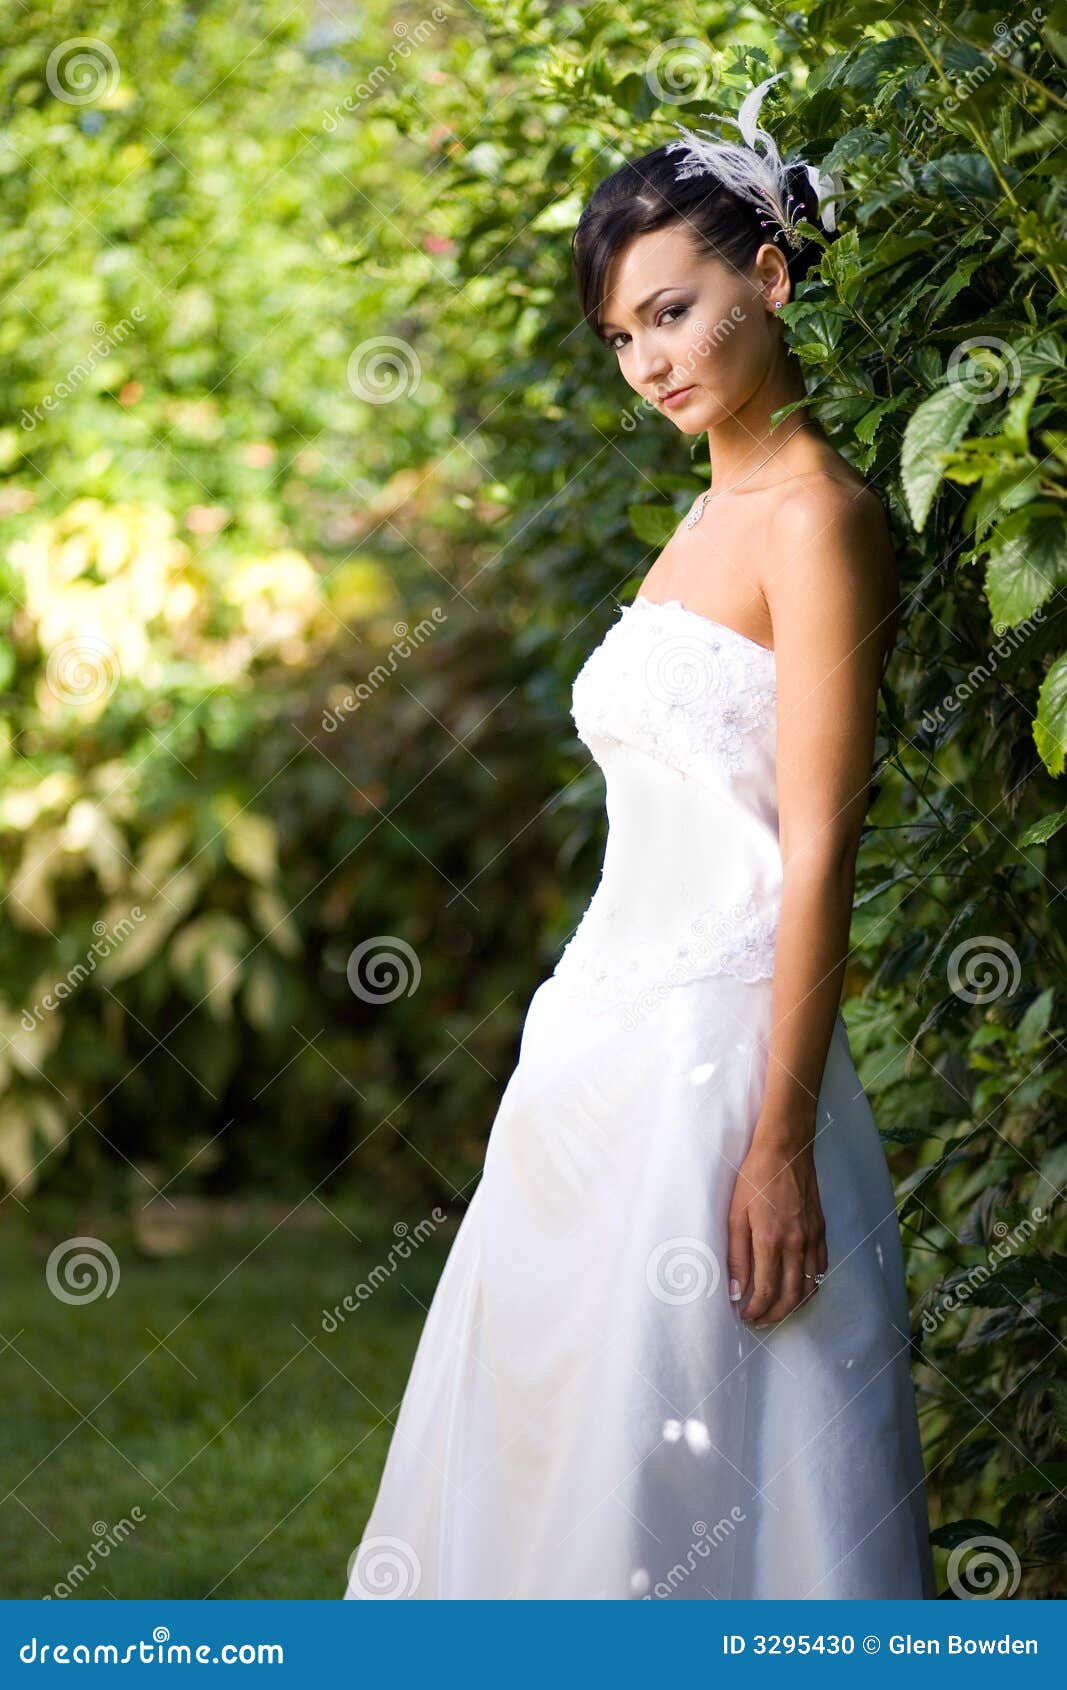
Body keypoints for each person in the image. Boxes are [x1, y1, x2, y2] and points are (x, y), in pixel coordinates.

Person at [343, 72, 937, 1601]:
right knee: (559, 1465)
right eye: (621, 336)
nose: (648, 361)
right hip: (593, 1052)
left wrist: (779, 1142)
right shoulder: (699, 517)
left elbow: (820, 847)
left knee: (700, 1475)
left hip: (720, 1079)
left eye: (671, 313)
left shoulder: (818, 519)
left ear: (771, 275)